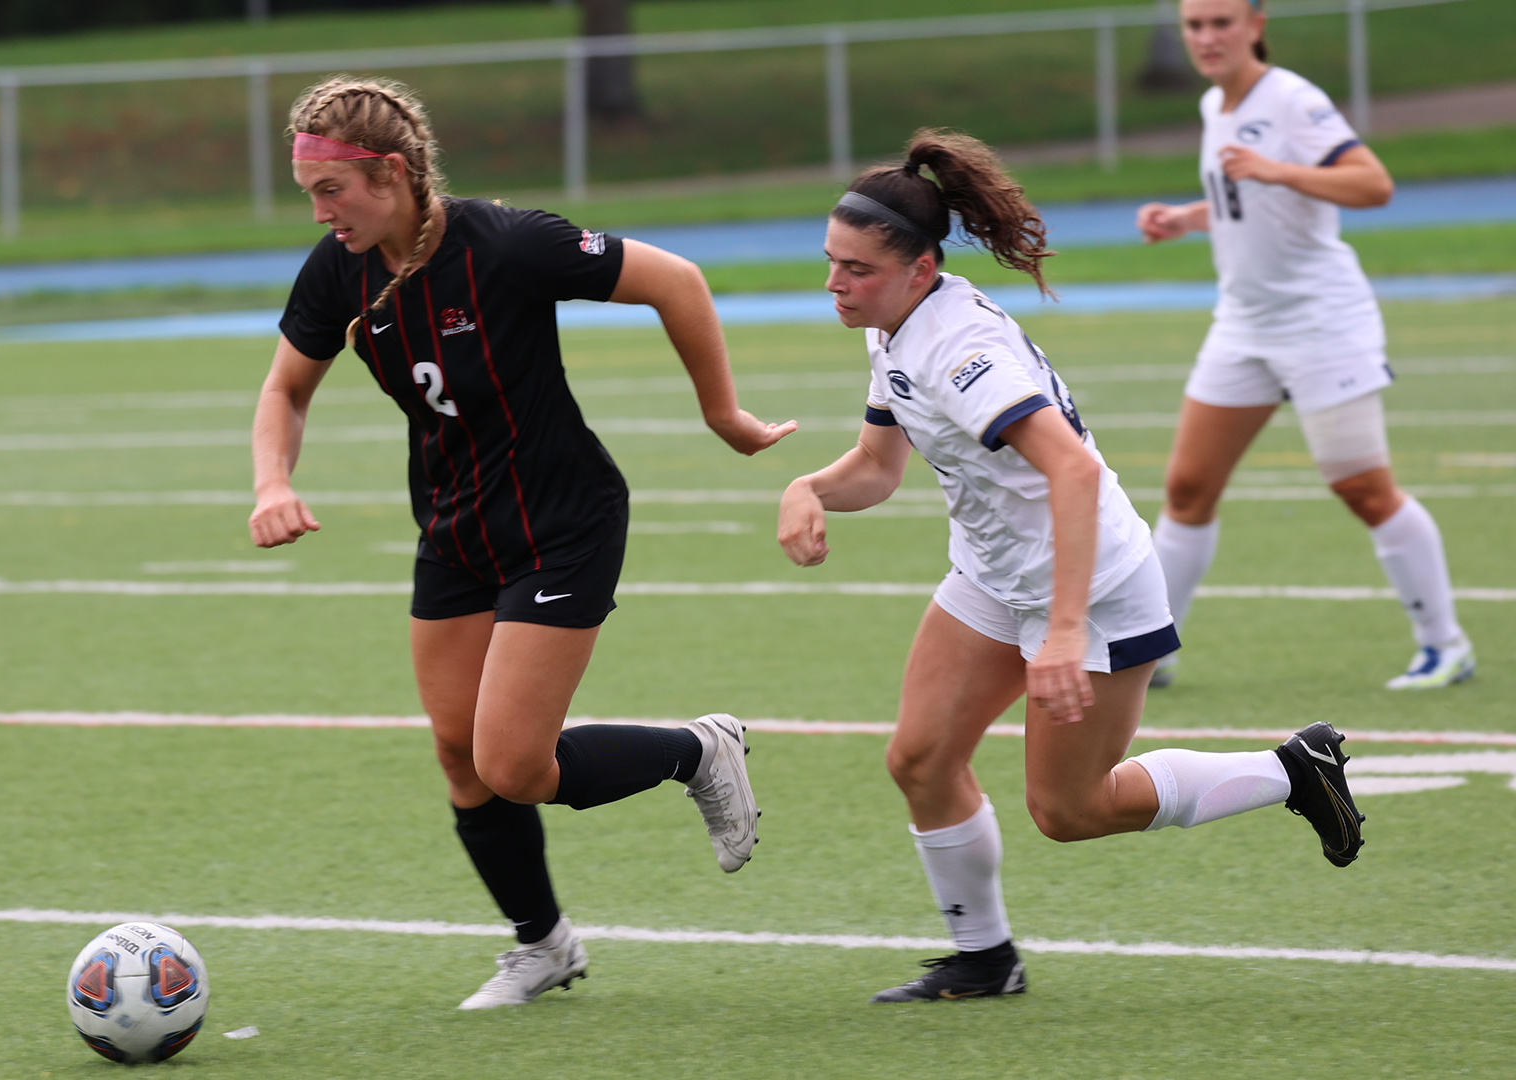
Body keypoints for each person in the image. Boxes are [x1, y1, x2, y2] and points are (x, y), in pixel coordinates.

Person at [777, 129, 1366, 1004]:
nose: (835, 283)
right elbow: (877, 465)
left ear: (922, 268)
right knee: (921, 760)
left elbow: (1076, 472)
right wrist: (811, 486)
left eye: (855, 269)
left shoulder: (962, 352)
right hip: (994, 573)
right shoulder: (894, 327)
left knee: (1070, 811)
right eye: (831, 263)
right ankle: (984, 958)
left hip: (1089, 586)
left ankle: (1296, 770)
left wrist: (1058, 631)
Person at [249, 76, 795, 1010]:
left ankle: (697, 752)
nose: (318, 211)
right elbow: (285, 391)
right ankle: (542, 945)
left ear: (388, 174)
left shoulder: (505, 243)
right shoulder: (336, 269)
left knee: (514, 766)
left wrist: (724, 416)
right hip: (456, 528)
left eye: (328, 190)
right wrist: (272, 481)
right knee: (460, 755)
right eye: (309, 193)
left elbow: (677, 281)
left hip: (561, 521)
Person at [1135, 0, 1472, 690]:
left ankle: (1446, 644)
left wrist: (1278, 168)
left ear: (1255, 23)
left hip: (1322, 323)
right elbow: (1245, 203)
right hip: (1244, 324)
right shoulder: (1212, 106)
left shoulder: (1291, 98)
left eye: (1221, 22)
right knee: (1188, 488)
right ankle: (1153, 648)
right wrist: (1185, 219)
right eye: (1194, 24)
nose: (1206, 37)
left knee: (1363, 489)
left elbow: (1373, 184)